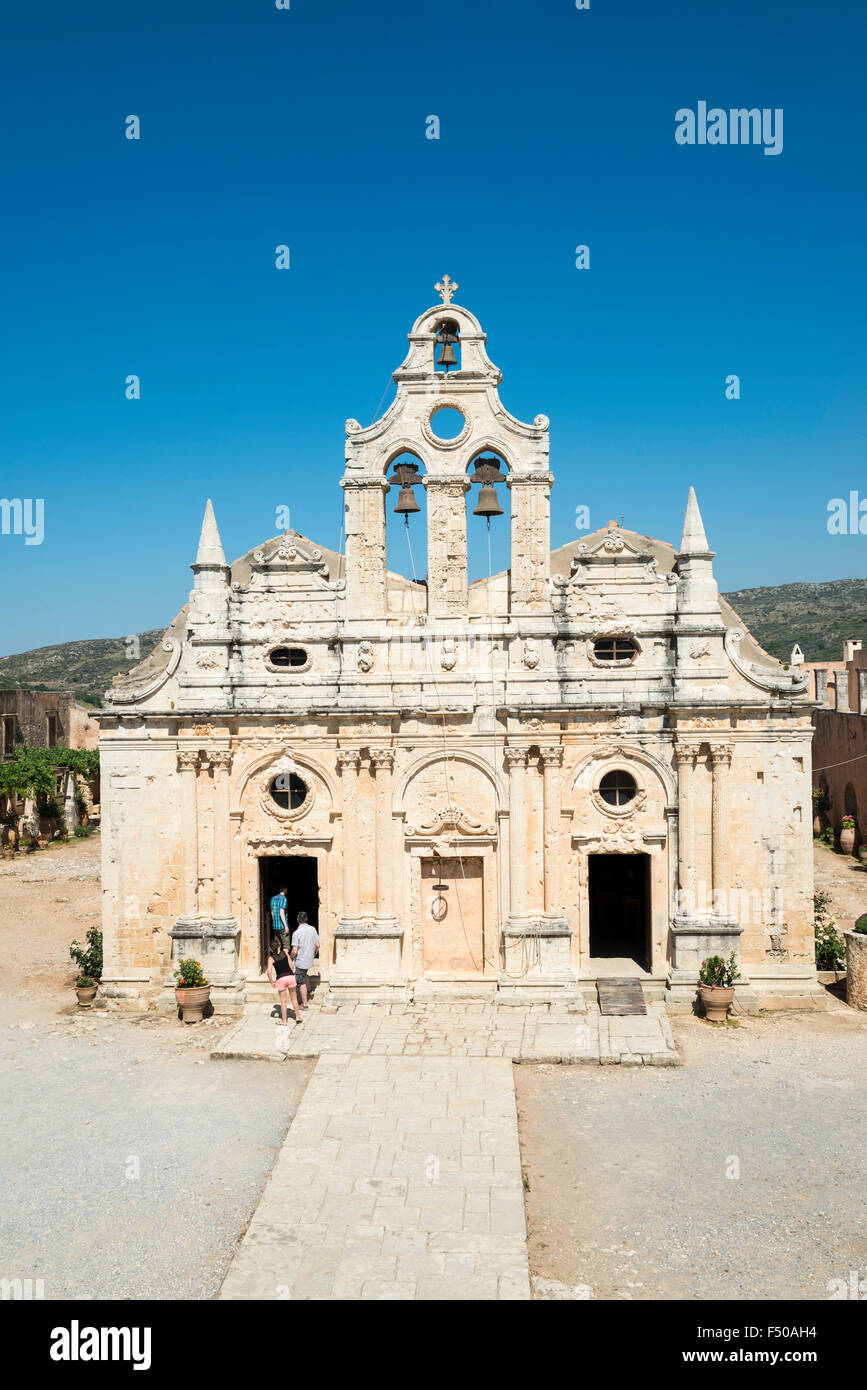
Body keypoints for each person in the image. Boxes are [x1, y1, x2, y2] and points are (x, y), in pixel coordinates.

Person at [267, 934, 301, 1026]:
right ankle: (298, 1017)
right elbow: (292, 966)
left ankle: (284, 1021)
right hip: (290, 976)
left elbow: (269, 972)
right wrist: (291, 972)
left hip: (281, 979)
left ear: (270, 949)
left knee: (283, 1002)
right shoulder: (285, 953)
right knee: (294, 998)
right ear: (279, 946)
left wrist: (272, 982)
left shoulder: (271, 958)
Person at [290, 911, 319, 1011]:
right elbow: (318, 945)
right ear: (306, 919)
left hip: (301, 960)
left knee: (300, 981)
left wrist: (290, 958)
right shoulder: (313, 929)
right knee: (304, 974)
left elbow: (294, 951)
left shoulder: (296, 933)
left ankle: (305, 1004)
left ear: (297, 920)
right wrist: (314, 953)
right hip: (309, 958)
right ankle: (309, 989)